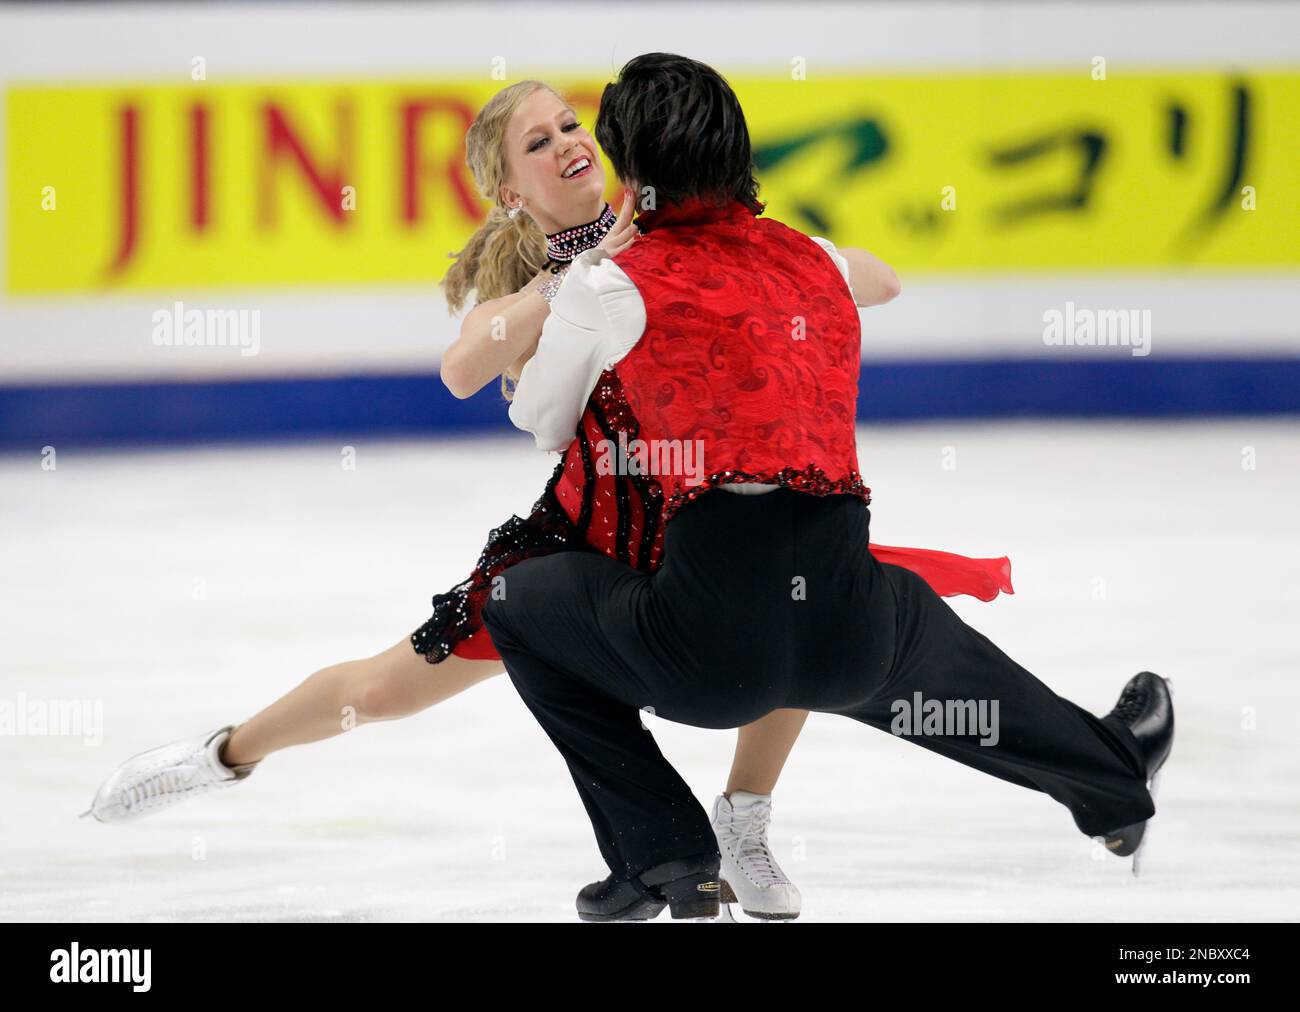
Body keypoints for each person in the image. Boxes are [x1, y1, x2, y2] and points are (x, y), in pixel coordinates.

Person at [85, 79, 1012, 922]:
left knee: (800, 604)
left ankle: (744, 820)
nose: (568, 140)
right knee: (382, 688)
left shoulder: (687, 234)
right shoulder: (546, 287)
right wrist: (579, 272)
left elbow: (878, 280)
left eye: (571, 124)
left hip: (713, 520)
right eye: (538, 142)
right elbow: (462, 368)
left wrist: (800, 262)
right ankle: (221, 755)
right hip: (585, 544)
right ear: (511, 192)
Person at [480, 54, 1174, 921]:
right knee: (922, 641)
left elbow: (542, 422)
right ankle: (1110, 776)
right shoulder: (812, 257)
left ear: (635, 170)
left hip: (705, 654)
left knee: (512, 595)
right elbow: (880, 278)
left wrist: (578, 294)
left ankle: (665, 854)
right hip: (849, 636)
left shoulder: (611, 284)